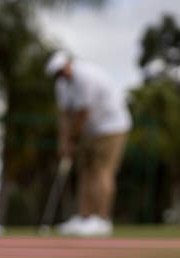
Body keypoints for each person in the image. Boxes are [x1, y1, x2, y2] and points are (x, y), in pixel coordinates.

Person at [46, 51, 131, 237]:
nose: (61, 76)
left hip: (112, 127)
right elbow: (65, 116)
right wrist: (63, 143)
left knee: (102, 171)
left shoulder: (86, 77)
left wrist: (72, 140)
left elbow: (83, 113)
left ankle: (102, 219)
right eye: (57, 74)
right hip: (90, 131)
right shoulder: (61, 86)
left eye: (62, 71)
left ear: (68, 64)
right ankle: (84, 217)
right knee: (85, 171)